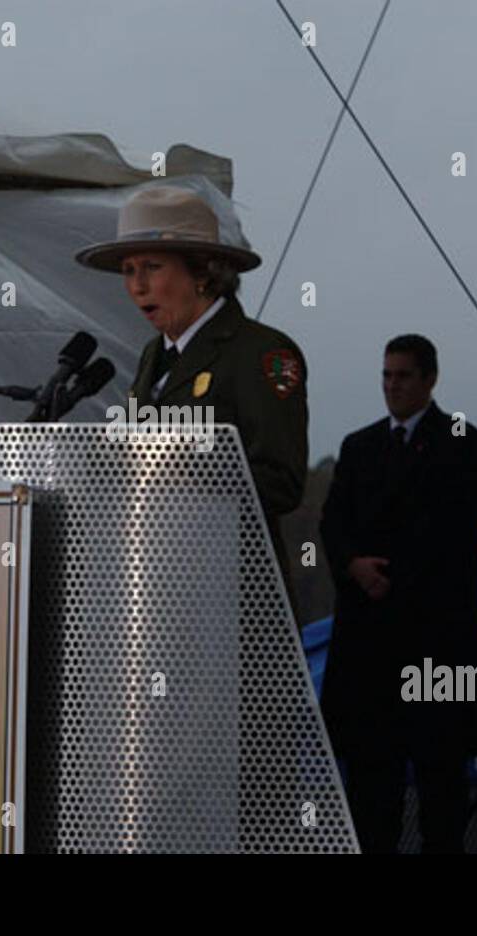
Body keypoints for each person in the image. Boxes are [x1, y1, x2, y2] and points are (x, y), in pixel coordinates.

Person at [75, 186, 309, 615]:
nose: (137, 285)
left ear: (203, 272)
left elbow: (282, 481)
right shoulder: (154, 355)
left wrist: (173, 476)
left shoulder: (262, 353)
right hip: (154, 595)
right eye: (128, 270)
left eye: (151, 267)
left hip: (231, 602)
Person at [318, 334, 477, 853]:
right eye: (386, 375)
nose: (392, 386)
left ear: (429, 380)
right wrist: (354, 566)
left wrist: (390, 578)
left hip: (436, 647)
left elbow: (453, 533)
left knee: (442, 797)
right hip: (369, 656)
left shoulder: (463, 442)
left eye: (402, 376)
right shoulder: (360, 447)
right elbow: (333, 521)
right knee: (372, 797)